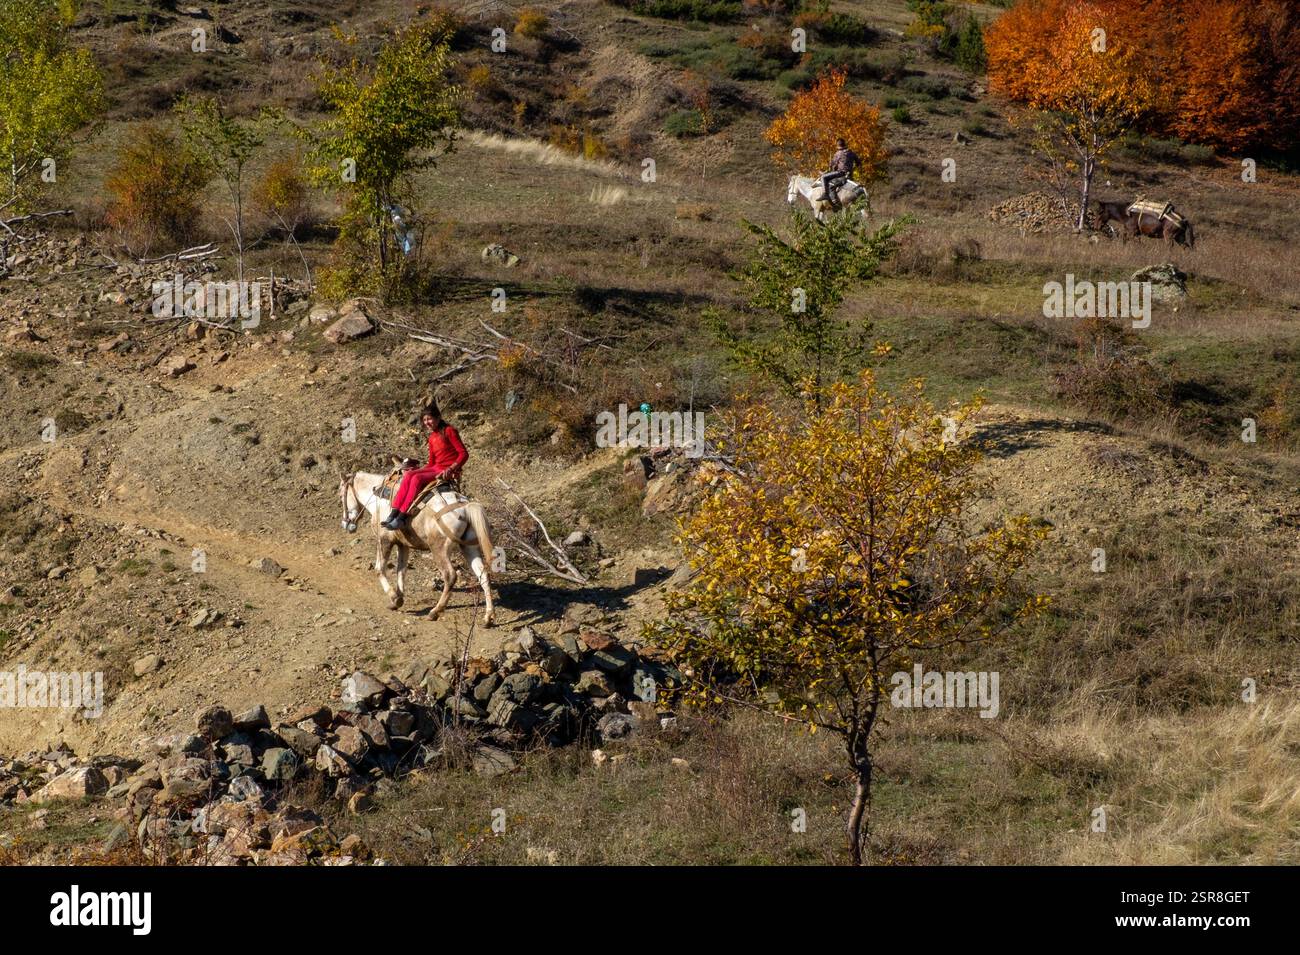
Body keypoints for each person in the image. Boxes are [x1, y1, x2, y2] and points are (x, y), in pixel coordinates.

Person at [381, 403, 468, 531]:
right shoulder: (432, 437)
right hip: (436, 467)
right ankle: (394, 512)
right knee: (410, 475)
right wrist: (418, 470)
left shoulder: (449, 431)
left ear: (438, 417)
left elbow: (463, 453)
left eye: (429, 419)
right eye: (425, 420)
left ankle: (402, 516)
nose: (427, 422)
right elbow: (432, 462)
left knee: (416, 479)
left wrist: (451, 468)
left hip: (446, 470)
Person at [818, 138, 859, 210]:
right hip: (850, 175)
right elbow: (858, 163)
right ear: (845, 144)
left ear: (838, 145)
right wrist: (851, 169)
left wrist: (826, 171)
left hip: (840, 173)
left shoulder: (838, 153)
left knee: (823, 177)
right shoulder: (852, 152)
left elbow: (832, 165)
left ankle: (826, 196)